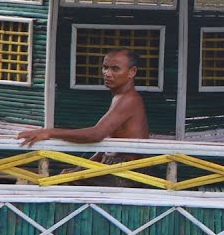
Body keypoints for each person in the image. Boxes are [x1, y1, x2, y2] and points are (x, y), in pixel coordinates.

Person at [17, 48, 150, 183]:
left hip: (126, 173)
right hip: (112, 167)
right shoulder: (121, 97)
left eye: (115, 69)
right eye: (105, 68)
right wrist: (80, 168)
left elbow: (96, 134)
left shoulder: (129, 99)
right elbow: (107, 145)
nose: (107, 73)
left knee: (58, 184)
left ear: (132, 72)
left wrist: (50, 132)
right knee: (62, 178)